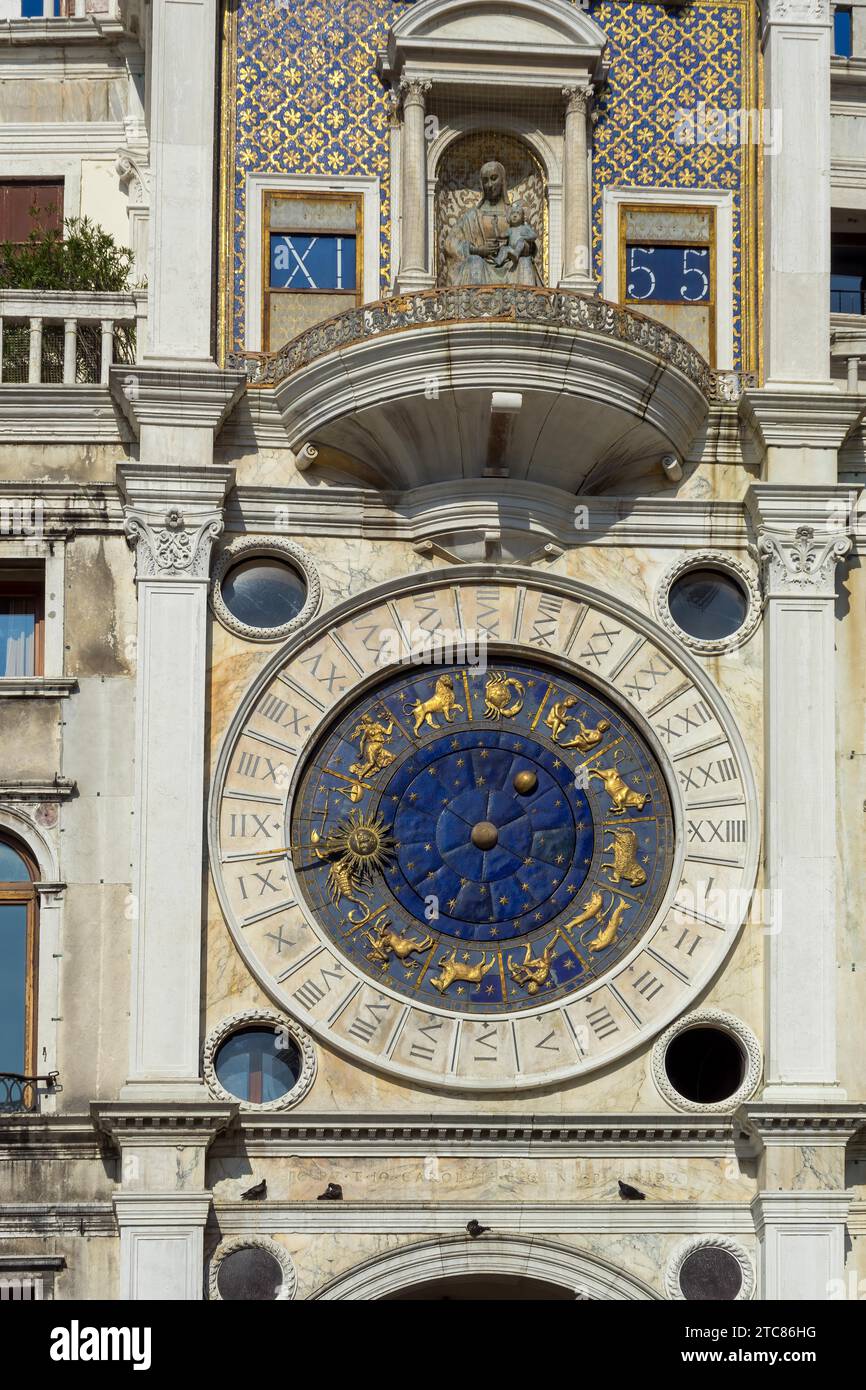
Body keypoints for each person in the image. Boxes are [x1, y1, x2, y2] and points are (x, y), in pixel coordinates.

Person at [443, 160, 541, 287]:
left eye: (494, 178)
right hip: (481, 264)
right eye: (485, 180)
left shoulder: (515, 213)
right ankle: (477, 302)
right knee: (475, 261)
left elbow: (530, 241)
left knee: (525, 262)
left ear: (503, 180)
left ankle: (526, 303)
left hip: (511, 266)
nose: (489, 184)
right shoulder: (471, 216)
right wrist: (476, 250)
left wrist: (523, 248)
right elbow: (450, 243)